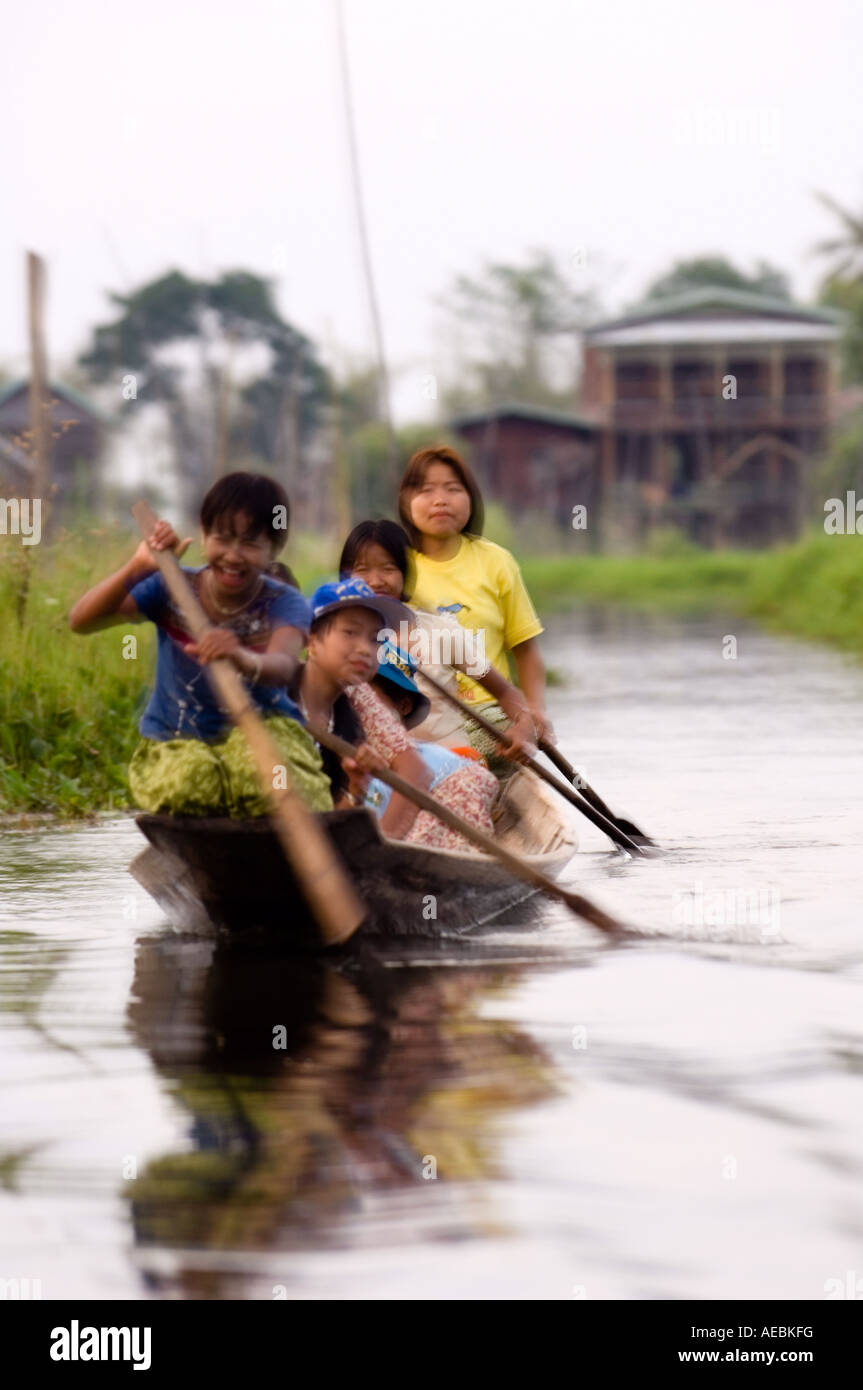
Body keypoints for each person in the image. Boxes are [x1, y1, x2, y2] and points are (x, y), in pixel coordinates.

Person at [68, 472, 331, 817]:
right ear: (205, 535)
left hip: (263, 731)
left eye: (250, 543)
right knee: (192, 781)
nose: (233, 556)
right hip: (178, 740)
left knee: (276, 783)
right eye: (223, 538)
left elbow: (282, 668)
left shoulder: (285, 602)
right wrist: (136, 568)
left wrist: (240, 656)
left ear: (273, 550)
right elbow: (81, 621)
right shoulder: (170, 587)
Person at [296, 578, 498, 852]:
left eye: (374, 638)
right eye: (350, 633)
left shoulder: (359, 693)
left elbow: (414, 770)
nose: (365, 649)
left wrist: (382, 844)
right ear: (313, 642)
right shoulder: (278, 689)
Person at [397, 446, 554, 767]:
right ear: (405, 501)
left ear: (471, 499)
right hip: (423, 716)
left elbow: (525, 650)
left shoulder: (496, 562)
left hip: (491, 712)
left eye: (453, 489)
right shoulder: (395, 569)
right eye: (426, 490)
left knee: (501, 742)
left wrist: (534, 711)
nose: (440, 499)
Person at [338, 518, 535, 762]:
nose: (376, 581)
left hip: (453, 762)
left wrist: (525, 724)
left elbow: (505, 692)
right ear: (345, 577)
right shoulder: (334, 641)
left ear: (405, 574)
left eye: (388, 569)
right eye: (362, 569)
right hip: (379, 769)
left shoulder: (439, 631)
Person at [349, 639, 500, 854]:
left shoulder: (443, 764)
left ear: (403, 706)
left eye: (365, 698)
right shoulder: (337, 757)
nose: (354, 706)